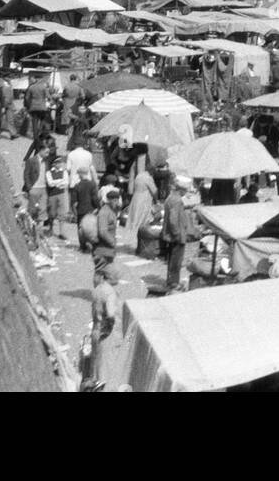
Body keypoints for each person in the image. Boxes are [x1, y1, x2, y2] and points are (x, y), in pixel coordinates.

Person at [86, 262, 121, 391]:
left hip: (96, 330)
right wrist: (109, 325)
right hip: (107, 335)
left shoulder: (97, 289)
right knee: (107, 371)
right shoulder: (110, 293)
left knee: (97, 366)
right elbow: (111, 313)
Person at [127, 163, 158, 250]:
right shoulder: (148, 178)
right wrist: (156, 201)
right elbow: (154, 191)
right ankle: (140, 245)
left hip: (136, 199)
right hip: (144, 201)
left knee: (135, 221)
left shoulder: (139, 175)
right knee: (143, 222)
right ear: (151, 171)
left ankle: (134, 243)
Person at [94, 187, 120, 276]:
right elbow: (102, 232)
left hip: (108, 249)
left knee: (107, 274)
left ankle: (103, 289)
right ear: (109, 200)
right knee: (100, 272)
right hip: (102, 249)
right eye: (114, 200)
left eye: (117, 200)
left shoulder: (111, 211)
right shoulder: (104, 212)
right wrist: (112, 242)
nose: (116, 203)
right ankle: (99, 289)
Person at [44, 156, 68, 239]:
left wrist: (56, 183)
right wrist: (60, 182)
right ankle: (51, 229)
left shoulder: (64, 172)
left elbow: (66, 183)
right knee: (51, 213)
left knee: (62, 213)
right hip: (52, 195)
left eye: (60, 162)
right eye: (57, 163)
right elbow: (50, 183)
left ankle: (62, 232)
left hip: (61, 194)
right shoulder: (49, 172)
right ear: (54, 164)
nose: (59, 164)